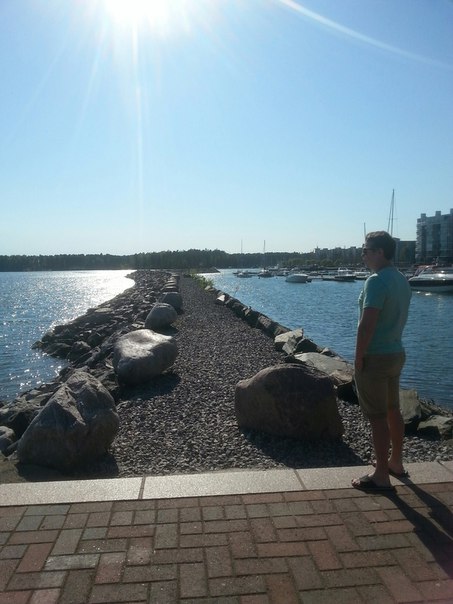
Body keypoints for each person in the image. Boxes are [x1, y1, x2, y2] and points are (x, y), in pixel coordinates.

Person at [352, 231, 412, 492]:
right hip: (396, 352)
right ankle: (395, 462)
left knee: (377, 416)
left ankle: (381, 475)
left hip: (375, 356)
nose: (362, 255)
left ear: (379, 252)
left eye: (365, 250)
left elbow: (367, 325)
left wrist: (358, 358)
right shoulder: (401, 279)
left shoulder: (376, 281)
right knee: (392, 409)